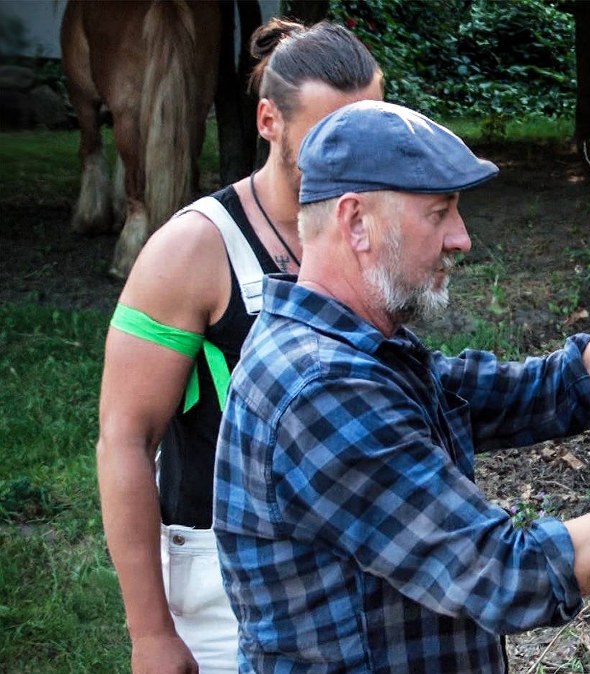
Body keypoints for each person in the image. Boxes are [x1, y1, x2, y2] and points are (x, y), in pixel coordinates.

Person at [213, 100, 590, 673]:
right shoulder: (322, 391)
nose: (462, 237)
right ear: (356, 222)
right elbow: (508, 576)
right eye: (439, 212)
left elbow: (547, 390)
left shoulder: (356, 350)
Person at [95, 20, 383, 674]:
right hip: (225, 585)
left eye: (368, 132)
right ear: (267, 122)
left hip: (351, 564)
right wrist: (151, 634)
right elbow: (123, 438)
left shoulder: (364, 228)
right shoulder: (193, 249)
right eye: (327, 137)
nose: (351, 158)